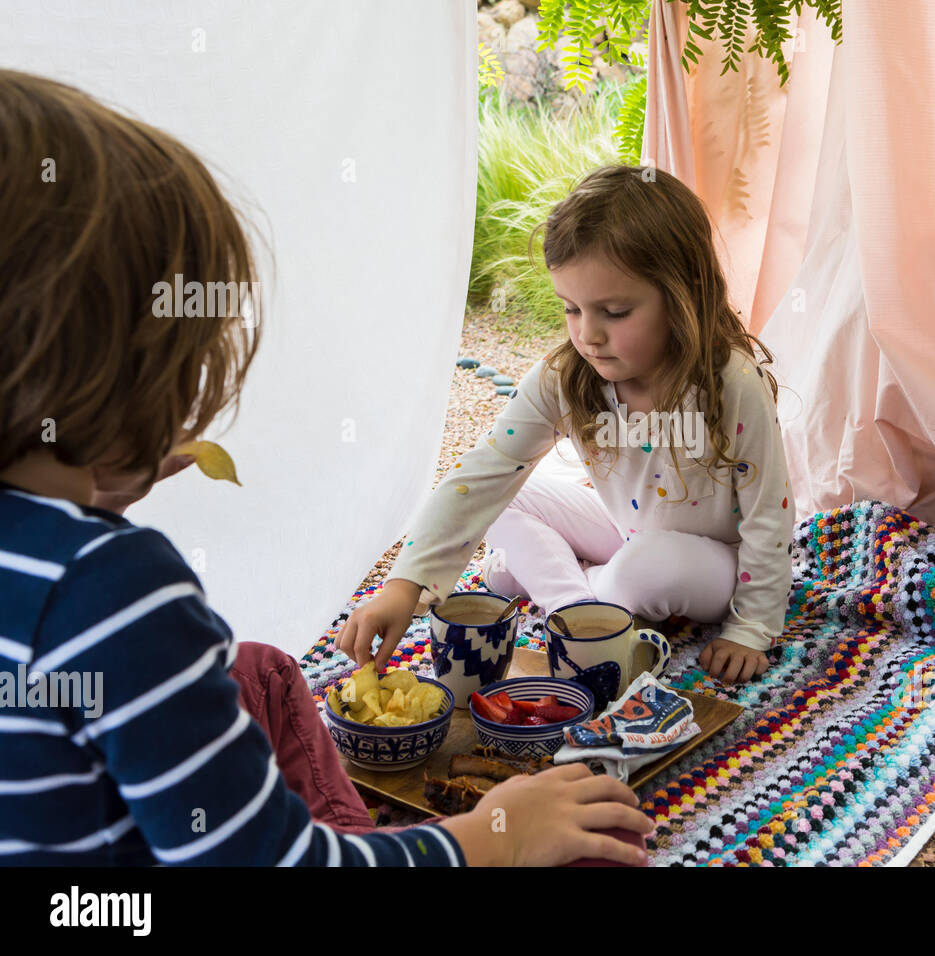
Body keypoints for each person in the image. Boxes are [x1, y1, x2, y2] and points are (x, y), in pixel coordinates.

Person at [0, 68, 651, 866]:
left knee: (262, 672)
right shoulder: (113, 591)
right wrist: (488, 838)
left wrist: (106, 480)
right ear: (125, 371)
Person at [337, 165, 795, 685]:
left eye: (615, 311)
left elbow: (768, 513)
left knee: (642, 567)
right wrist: (405, 583)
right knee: (504, 499)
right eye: (572, 308)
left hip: (713, 565)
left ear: (683, 291)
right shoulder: (567, 376)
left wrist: (752, 626)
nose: (588, 335)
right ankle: (577, 608)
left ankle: (578, 589)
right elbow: (484, 473)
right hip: (627, 531)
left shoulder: (731, 381)